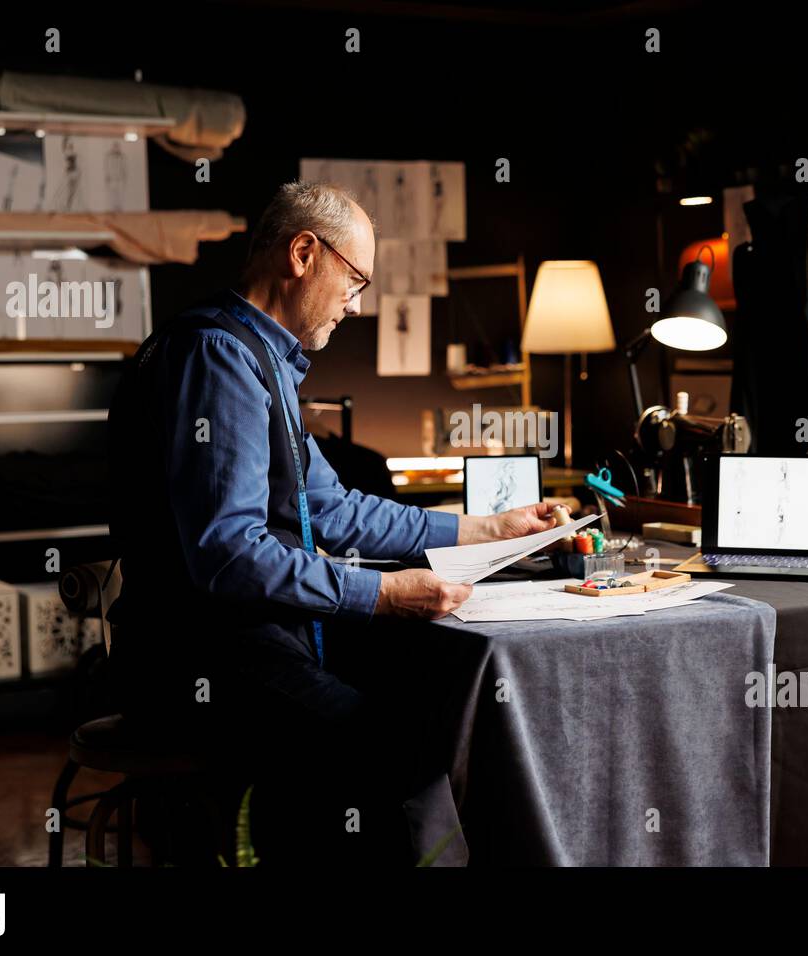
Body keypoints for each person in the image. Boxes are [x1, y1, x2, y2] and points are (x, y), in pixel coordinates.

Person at [106, 181, 555, 864]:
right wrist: (383, 593)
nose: (359, 302)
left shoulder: (261, 363)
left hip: (243, 644)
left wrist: (494, 528)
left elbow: (337, 511)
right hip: (198, 659)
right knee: (393, 751)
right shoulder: (219, 357)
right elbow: (229, 555)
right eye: (356, 280)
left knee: (414, 716)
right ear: (304, 253)